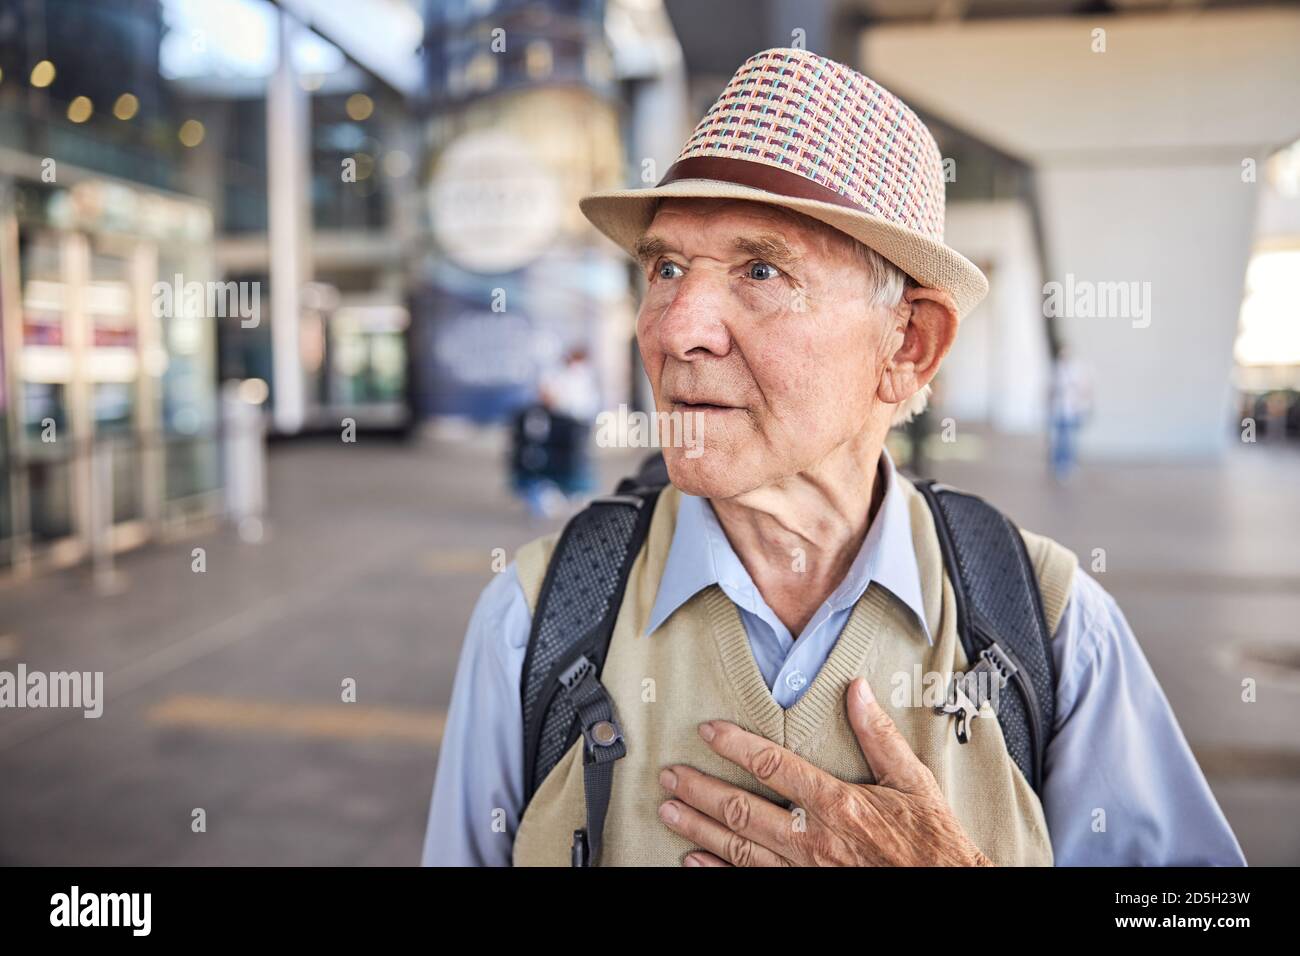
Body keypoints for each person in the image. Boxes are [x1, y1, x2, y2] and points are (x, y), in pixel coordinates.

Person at [423, 47, 1244, 866]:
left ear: (909, 346)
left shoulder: (1051, 624)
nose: (676, 330)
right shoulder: (536, 619)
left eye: (760, 269)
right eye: (666, 267)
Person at [1048, 347, 1093, 480]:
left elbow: (1085, 389)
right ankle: (1060, 463)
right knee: (1061, 439)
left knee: (1069, 438)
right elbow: (1051, 389)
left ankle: (1067, 463)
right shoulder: (1057, 369)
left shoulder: (1077, 369)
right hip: (1060, 410)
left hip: (1072, 410)